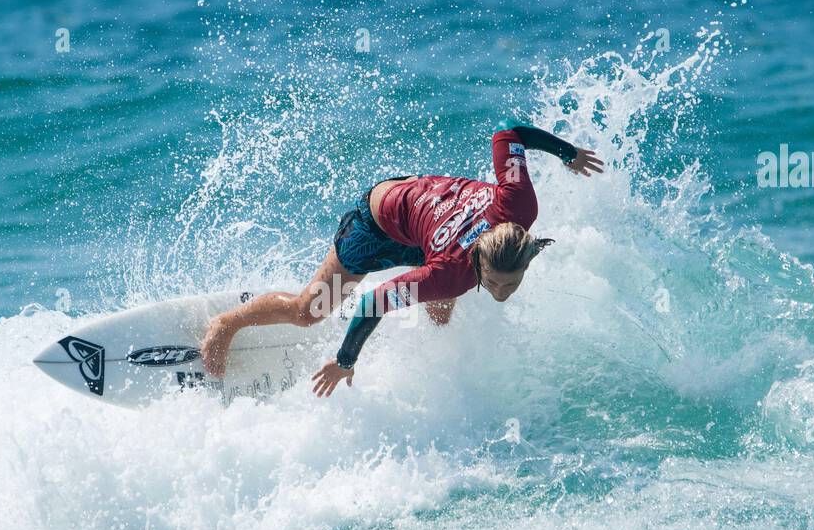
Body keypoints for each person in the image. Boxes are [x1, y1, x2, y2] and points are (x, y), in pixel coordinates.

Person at [198, 121, 604, 396]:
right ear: (479, 260)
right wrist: (344, 361)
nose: (500, 293)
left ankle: (433, 359)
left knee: (441, 306)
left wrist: (567, 153)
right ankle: (227, 324)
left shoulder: (520, 207)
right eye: (494, 282)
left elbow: (508, 137)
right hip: (376, 226)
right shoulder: (452, 273)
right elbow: (373, 302)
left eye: (509, 284)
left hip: (425, 220)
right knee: (311, 311)